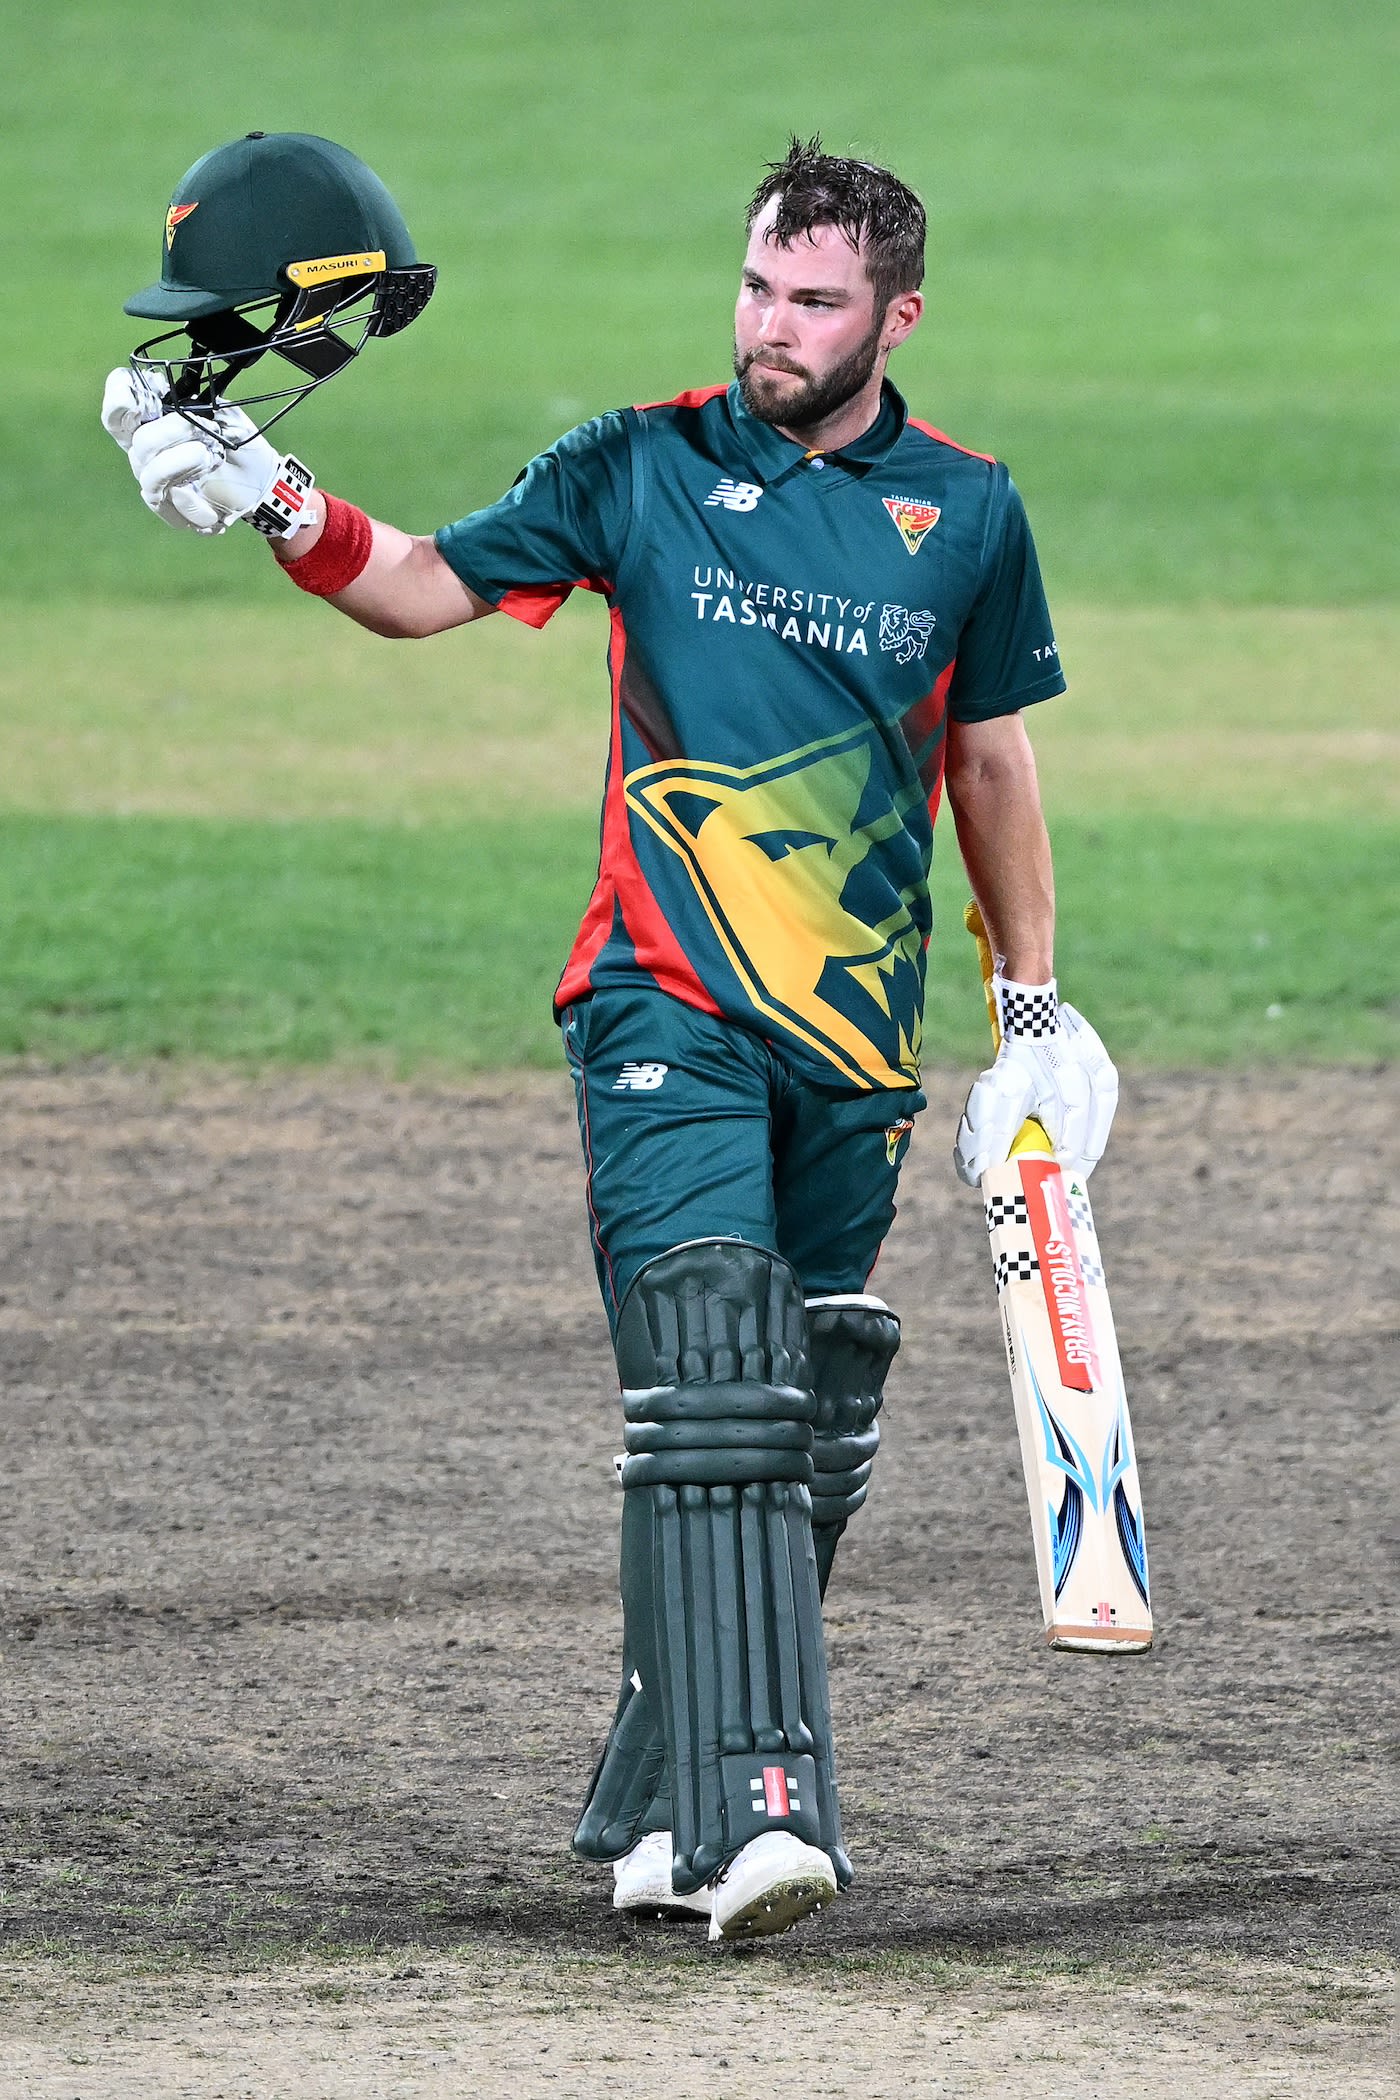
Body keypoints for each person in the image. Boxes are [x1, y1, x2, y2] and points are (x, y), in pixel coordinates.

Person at [105, 133, 1117, 1942]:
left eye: (814, 302)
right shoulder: (638, 465)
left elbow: (987, 758)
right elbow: (423, 584)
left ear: (895, 314)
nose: (772, 327)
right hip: (661, 1001)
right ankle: (767, 1816)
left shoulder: (965, 511)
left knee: (797, 1421)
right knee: (714, 1364)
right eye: (757, 287)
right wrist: (272, 497)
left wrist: (1028, 1008)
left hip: (857, 1040)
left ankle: (657, 1810)